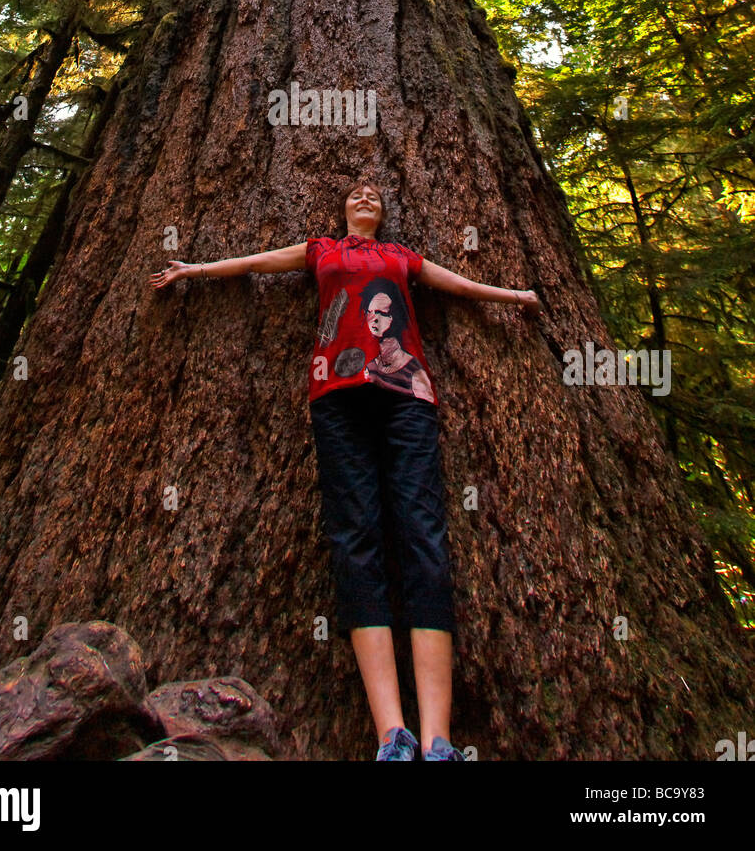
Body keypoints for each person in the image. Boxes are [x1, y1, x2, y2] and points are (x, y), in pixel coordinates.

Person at [149, 177, 541, 761]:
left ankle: (439, 740)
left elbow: (454, 284)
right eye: (356, 193)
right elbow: (258, 262)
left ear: (383, 215)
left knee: (423, 538)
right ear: (342, 209)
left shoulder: (399, 257)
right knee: (356, 539)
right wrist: (194, 270)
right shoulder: (320, 251)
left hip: (408, 396)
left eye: (375, 196)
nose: (365, 198)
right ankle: (392, 735)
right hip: (335, 396)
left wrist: (513, 296)